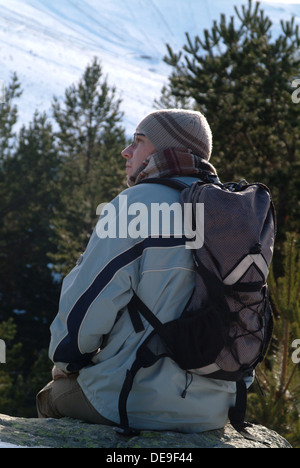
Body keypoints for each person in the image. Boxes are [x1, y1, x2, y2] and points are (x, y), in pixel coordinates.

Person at [36, 109, 238, 433]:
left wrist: (66, 363)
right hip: (217, 408)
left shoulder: (135, 205)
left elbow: (85, 310)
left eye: (138, 141)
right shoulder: (234, 210)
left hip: (133, 400)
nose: (126, 151)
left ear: (167, 151)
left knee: (51, 397)